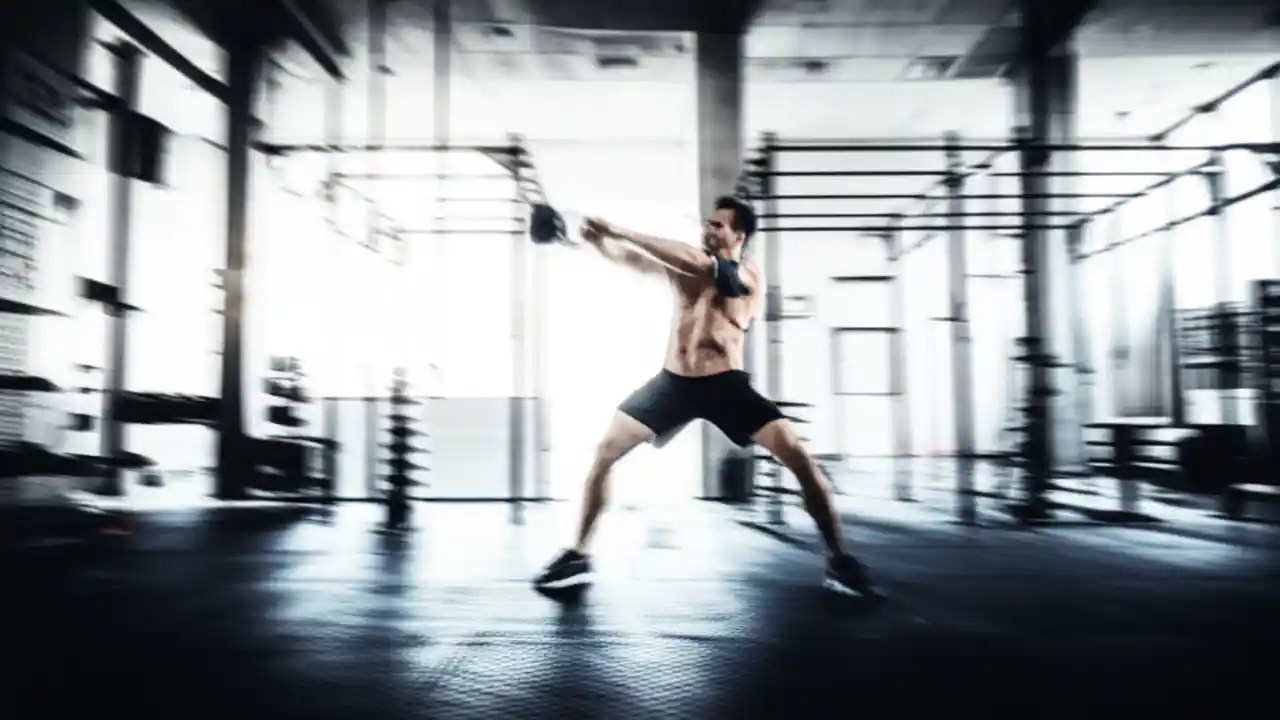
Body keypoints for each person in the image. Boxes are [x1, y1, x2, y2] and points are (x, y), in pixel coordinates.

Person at [533, 196, 874, 598]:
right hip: (673, 385)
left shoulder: (747, 273)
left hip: (726, 387)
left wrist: (619, 230)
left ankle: (840, 559)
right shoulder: (683, 268)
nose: (708, 229)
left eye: (718, 225)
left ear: (739, 235)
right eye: (707, 223)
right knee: (605, 453)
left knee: (799, 459)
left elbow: (700, 265)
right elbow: (632, 260)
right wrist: (592, 240)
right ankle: (578, 555)